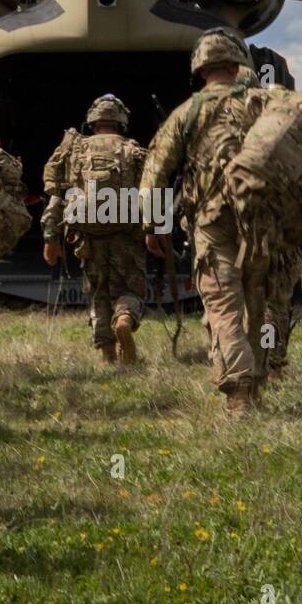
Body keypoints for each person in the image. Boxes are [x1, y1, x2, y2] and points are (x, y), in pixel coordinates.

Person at [140, 29, 269, 417]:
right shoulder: (265, 104)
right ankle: (255, 379)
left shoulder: (187, 112)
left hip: (213, 223)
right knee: (255, 305)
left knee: (223, 305)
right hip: (262, 222)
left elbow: (156, 173)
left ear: (200, 70)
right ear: (236, 64)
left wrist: (154, 225)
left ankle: (239, 393)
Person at [42, 95, 147, 365]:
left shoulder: (75, 151)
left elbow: (57, 195)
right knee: (131, 288)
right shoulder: (133, 150)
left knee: (97, 291)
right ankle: (124, 317)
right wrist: (158, 231)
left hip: (87, 235)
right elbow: (152, 193)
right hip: (126, 234)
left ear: (92, 121)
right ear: (121, 121)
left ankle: (107, 355)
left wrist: (50, 237)